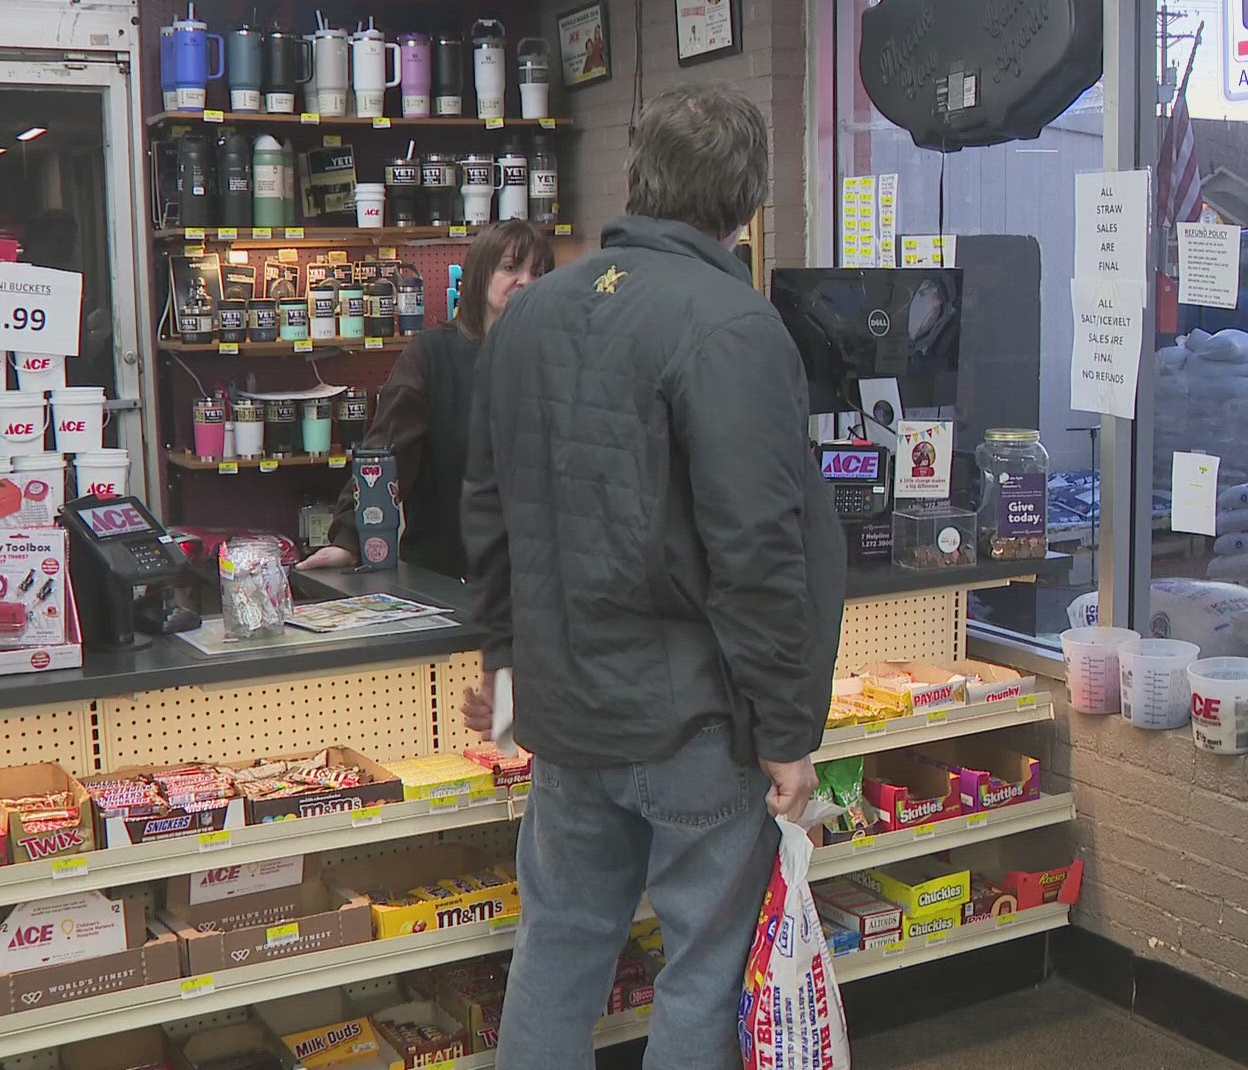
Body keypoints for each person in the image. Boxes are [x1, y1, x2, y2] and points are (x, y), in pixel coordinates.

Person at [461, 83, 845, 1069]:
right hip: (695, 725)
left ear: (635, 182)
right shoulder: (734, 326)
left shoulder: (528, 318)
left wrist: (508, 664)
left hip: (567, 708)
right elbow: (759, 550)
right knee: (702, 975)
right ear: (748, 205)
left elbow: (490, 511)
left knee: (557, 952)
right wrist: (789, 734)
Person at [299, 220, 555, 577]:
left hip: (539, 579)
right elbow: (386, 454)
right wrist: (349, 538)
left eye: (538, 273)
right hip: (446, 572)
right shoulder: (433, 355)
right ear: (480, 274)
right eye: (511, 268)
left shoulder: (558, 358)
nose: (526, 281)